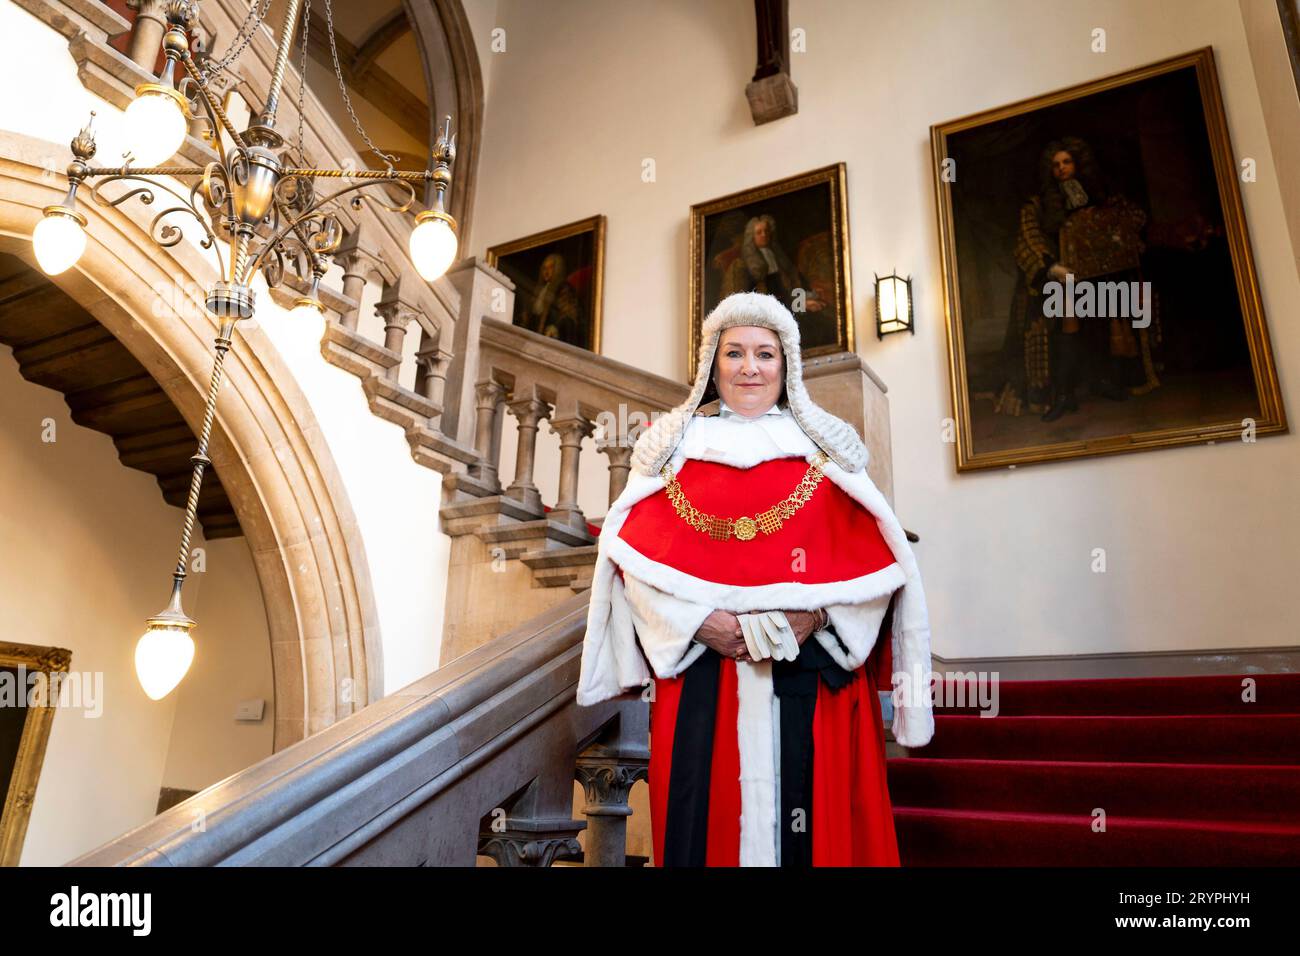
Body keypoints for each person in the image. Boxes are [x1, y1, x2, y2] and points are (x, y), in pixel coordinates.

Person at [576, 291, 934, 867]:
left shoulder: (828, 453)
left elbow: (881, 573)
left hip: (814, 683)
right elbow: (634, 567)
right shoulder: (672, 455)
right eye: (734, 353)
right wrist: (697, 622)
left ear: (785, 364)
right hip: (702, 685)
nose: (749, 367)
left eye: (765, 354)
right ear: (711, 366)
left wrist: (816, 615)